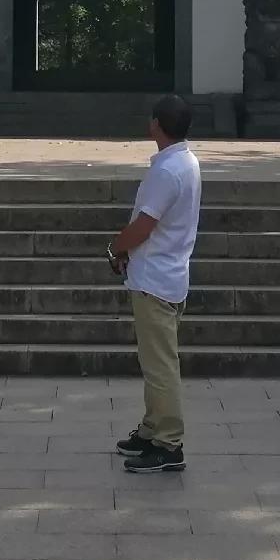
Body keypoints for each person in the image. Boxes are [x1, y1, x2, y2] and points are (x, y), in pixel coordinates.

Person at [106, 93, 201, 473]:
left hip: (156, 280)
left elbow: (145, 225)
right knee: (154, 362)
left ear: (155, 125)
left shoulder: (168, 171)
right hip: (168, 273)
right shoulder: (185, 162)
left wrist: (115, 247)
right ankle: (150, 429)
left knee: (161, 367)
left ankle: (169, 444)